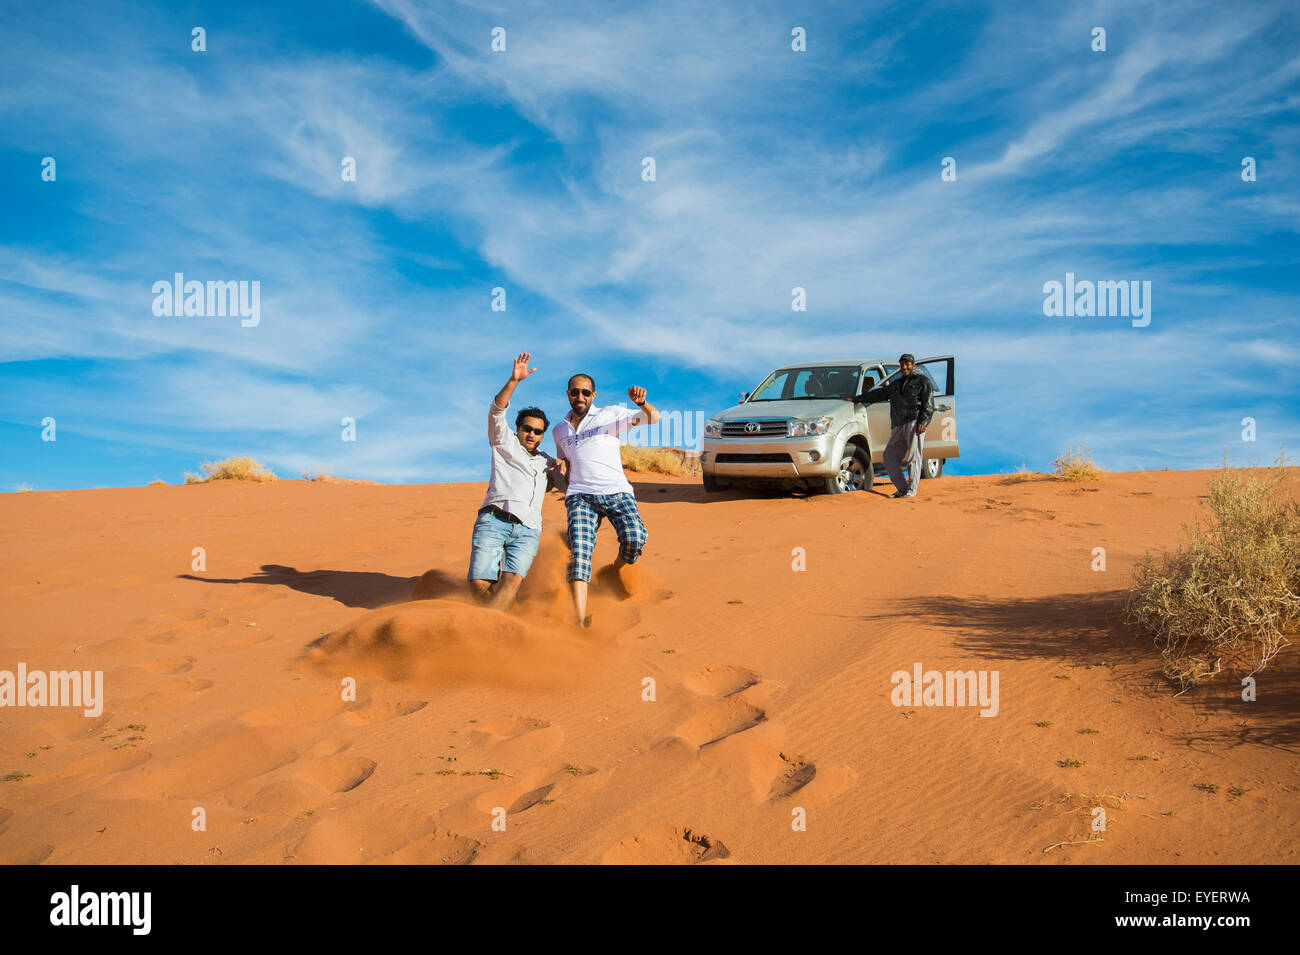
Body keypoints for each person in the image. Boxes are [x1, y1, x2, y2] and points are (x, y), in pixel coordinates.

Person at [552, 373, 660, 627]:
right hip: (580, 495)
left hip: (616, 490)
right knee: (579, 551)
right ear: (568, 394)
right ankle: (579, 619)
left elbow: (653, 418)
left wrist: (641, 403)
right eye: (575, 392)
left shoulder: (610, 415)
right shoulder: (559, 430)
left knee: (635, 538)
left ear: (594, 395)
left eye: (585, 393)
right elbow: (565, 461)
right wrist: (563, 477)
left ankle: (618, 567)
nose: (580, 397)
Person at [467, 352, 566, 610]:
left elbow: (566, 487)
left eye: (537, 431)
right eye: (527, 429)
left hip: (529, 530)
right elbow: (496, 410)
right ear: (518, 429)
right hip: (495, 518)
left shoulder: (547, 461)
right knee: (479, 583)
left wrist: (567, 466)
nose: (531, 434)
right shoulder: (504, 442)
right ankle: (496, 618)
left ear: (543, 434)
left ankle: (493, 630)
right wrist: (514, 381)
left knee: (512, 581)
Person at [849, 353, 933, 498]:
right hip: (898, 424)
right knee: (889, 456)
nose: (904, 367)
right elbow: (878, 394)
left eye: (907, 364)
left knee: (914, 457)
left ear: (914, 365)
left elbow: (929, 403)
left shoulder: (923, 381)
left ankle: (912, 490)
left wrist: (923, 421)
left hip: (914, 422)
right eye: (902, 365)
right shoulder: (896, 384)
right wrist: (856, 399)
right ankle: (902, 489)